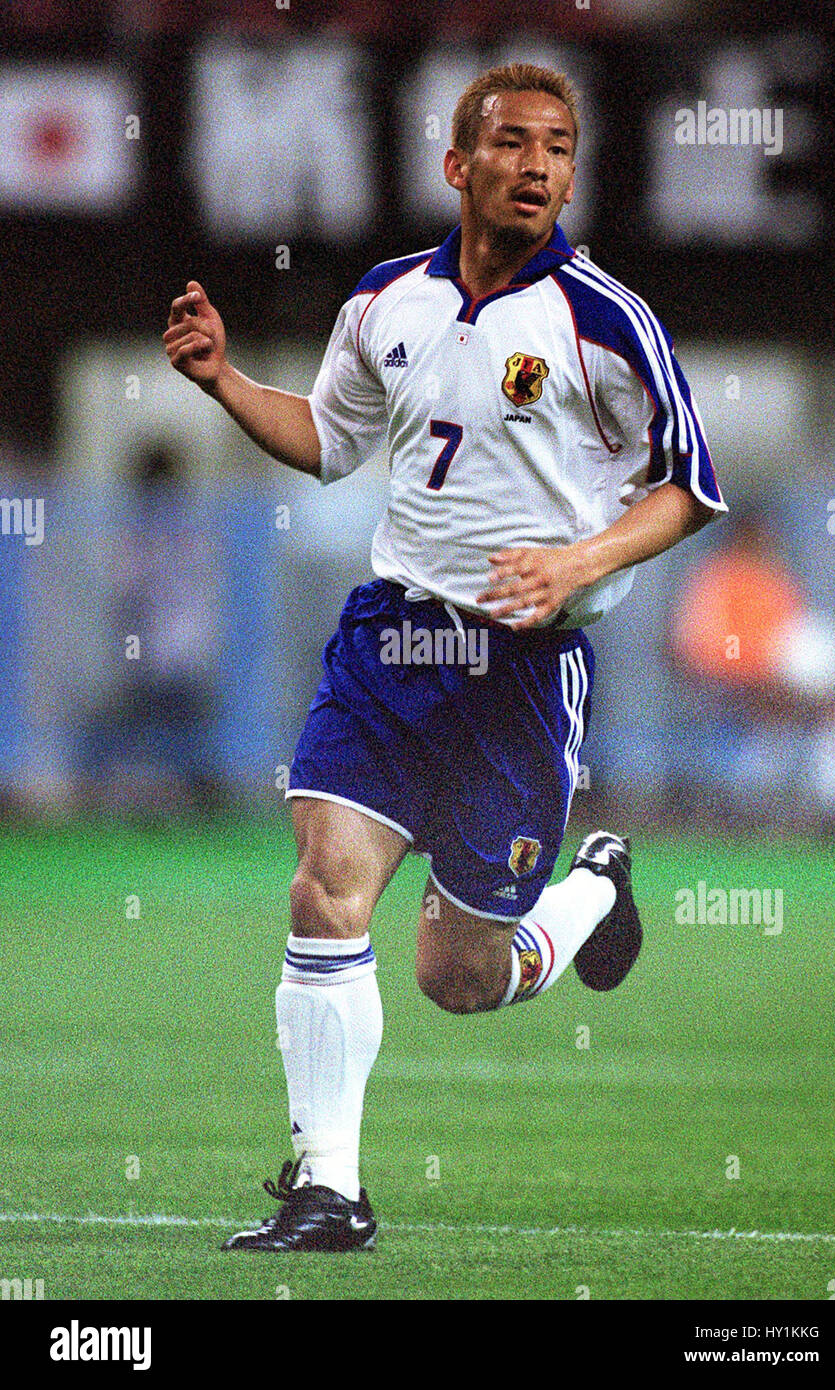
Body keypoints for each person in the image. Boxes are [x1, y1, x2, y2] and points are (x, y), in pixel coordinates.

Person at [163, 62, 726, 1253]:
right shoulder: (383, 304)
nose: (538, 167)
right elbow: (326, 440)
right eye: (514, 143)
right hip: (391, 637)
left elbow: (691, 489)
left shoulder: (603, 320)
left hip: (521, 668)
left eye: (559, 148)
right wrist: (225, 384)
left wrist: (573, 566)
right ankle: (329, 1188)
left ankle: (590, 891)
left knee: (459, 976)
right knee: (324, 882)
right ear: (455, 164)